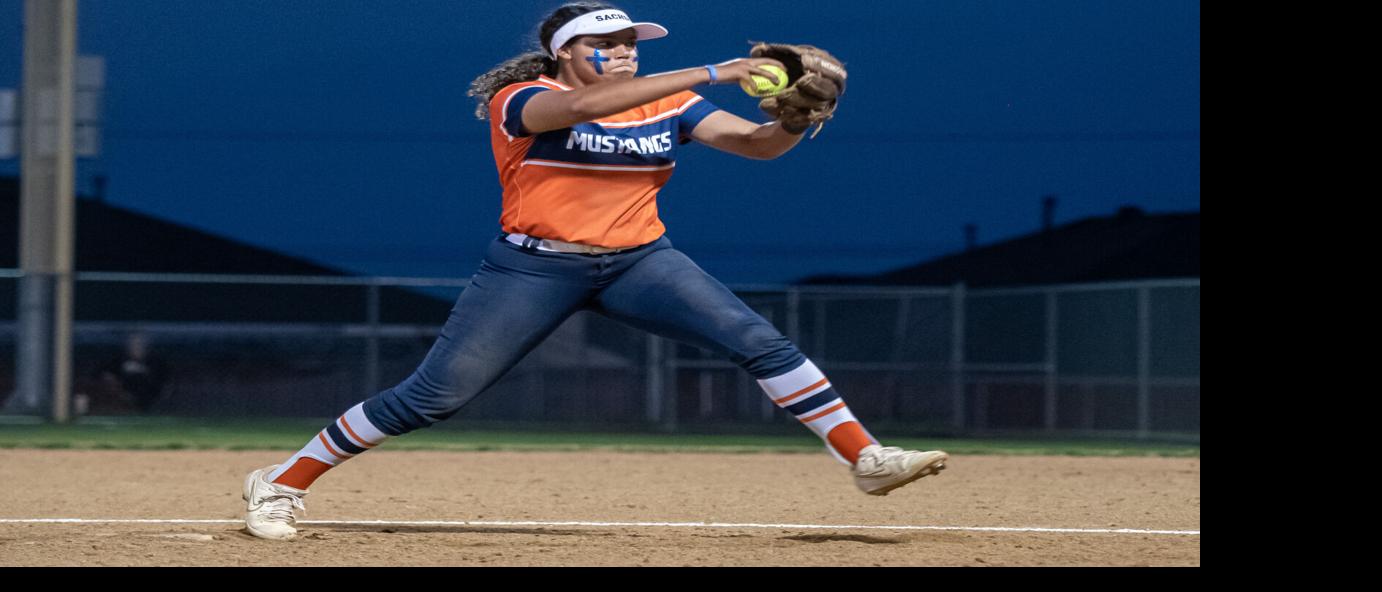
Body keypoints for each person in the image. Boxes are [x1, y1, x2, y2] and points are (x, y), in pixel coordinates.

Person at [242, 3, 947, 540]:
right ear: (564, 54)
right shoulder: (519, 102)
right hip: (533, 268)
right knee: (432, 398)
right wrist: (720, 71)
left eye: (629, 43)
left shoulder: (668, 101)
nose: (623, 53)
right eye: (605, 44)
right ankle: (280, 481)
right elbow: (579, 108)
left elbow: (755, 146)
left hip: (640, 260)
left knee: (762, 342)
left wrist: (792, 119)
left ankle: (867, 458)